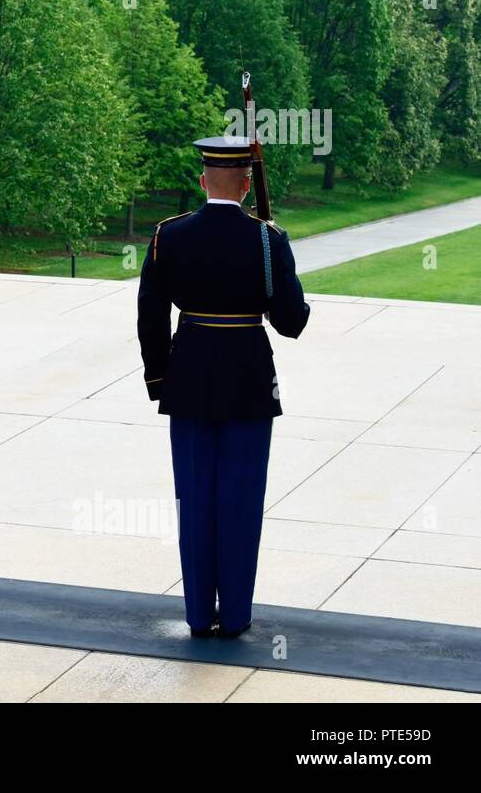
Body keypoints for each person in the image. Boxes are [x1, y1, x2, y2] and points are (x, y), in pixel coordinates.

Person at [136, 135, 310, 638]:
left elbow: (151, 314)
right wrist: (283, 264)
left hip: (188, 377)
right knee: (240, 501)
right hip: (248, 380)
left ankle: (196, 615)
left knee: (195, 500)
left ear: (203, 179)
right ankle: (234, 616)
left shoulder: (169, 235)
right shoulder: (266, 239)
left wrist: (159, 377)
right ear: (249, 184)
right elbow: (291, 322)